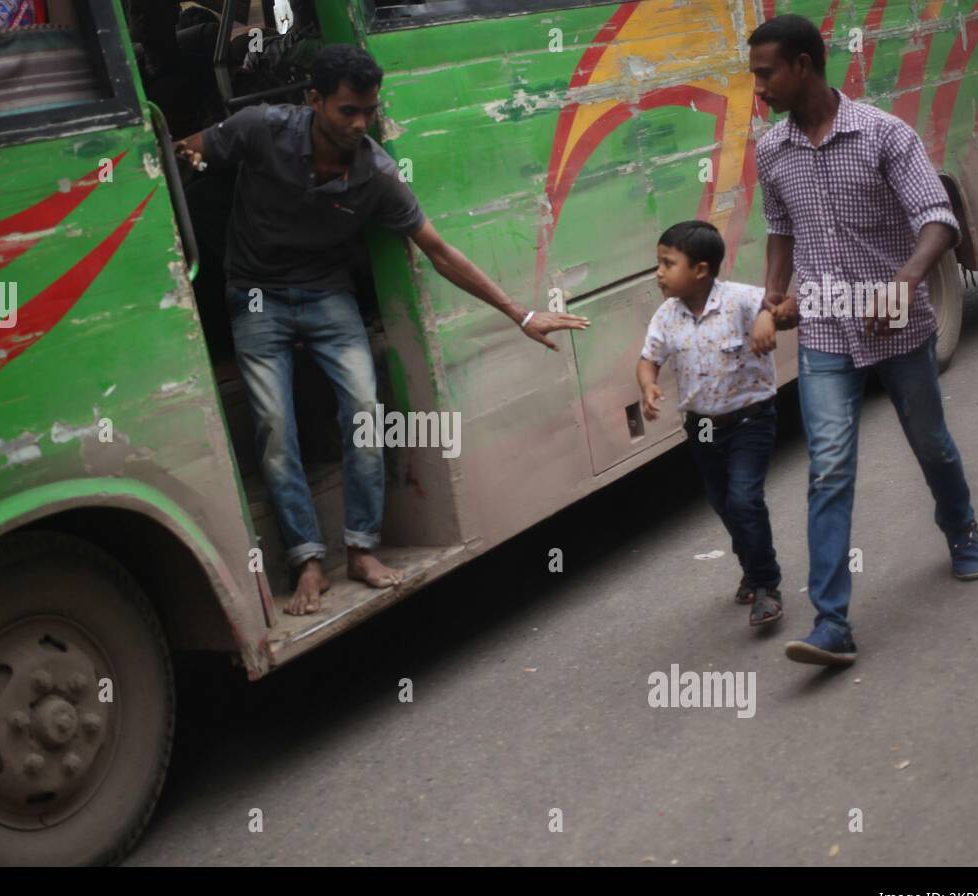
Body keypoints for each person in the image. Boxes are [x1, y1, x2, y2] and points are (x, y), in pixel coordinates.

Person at [175, 45, 588, 616]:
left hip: (326, 295)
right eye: (348, 111)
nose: (360, 124)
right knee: (273, 424)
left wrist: (520, 314)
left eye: (368, 110)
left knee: (367, 414)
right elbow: (184, 153)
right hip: (254, 296)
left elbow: (439, 252)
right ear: (313, 101)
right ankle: (308, 560)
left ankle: (362, 549)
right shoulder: (259, 129)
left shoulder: (375, 171)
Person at [746, 14, 978, 667]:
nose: (758, 87)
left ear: (803, 65)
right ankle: (831, 623)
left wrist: (905, 281)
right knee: (828, 467)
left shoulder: (884, 135)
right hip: (825, 327)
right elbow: (780, 229)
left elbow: (940, 219)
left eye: (766, 72)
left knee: (930, 442)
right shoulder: (771, 151)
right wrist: (774, 296)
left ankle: (960, 525)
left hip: (899, 324)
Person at [638, 221, 787, 628]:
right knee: (723, 504)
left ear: (700, 270)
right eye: (659, 263)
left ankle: (766, 586)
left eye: (668, 263)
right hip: (702, 428)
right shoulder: (666, 317)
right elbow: (648, 358)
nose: (659, 272)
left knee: (743, 500)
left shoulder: (740, 299)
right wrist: (649, 385)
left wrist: (767, 317)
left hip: (750, 420)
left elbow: (778, 307)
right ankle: (751, 567)